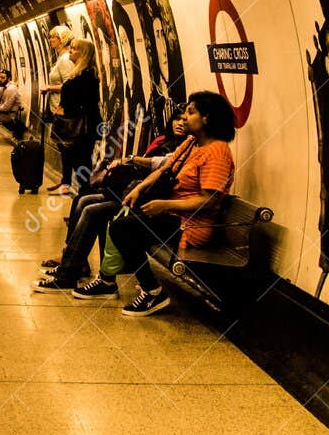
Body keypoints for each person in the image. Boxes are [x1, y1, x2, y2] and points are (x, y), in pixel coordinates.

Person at [74, 91, 237, 317]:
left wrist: (164, 204)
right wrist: (140, 189)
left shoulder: (217, 152)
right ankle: (106, 279)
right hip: (170, 214)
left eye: (191, 112)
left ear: (206, 118)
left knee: (123, 227)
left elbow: (209, 200)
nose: (184, 118)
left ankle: (152, 291)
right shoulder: (192, 143)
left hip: (189, 225)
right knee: (114, 215)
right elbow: (164, 169)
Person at [36, 110, 188, 292]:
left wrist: (131, 160)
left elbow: (162, 164)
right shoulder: (165, 140)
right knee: (83, 200)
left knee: (94, 210)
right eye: (178, 118)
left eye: (186, 119)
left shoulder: (189, 148)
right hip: (137, 193)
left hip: (149, 201)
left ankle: (75, 273)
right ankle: (73, 262)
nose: (181, 123)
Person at [49, 38, 100, 192]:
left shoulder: (86, 76)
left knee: (82, 166)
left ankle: (83, 203)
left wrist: (64, 109)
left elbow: (85, 102)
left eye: (75, 49)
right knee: (80, 166)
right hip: (79, 127)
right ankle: (81, 204)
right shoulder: (81, 73)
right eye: (71, 48)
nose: (70, 51)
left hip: (80, 129)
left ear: (84, 53)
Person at [43, 25, 76, 189]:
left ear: (62, 39)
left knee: (65, 146)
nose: (51, 40)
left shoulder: (65, 60)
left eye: (53, 37)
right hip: (57, 107)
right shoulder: (61, 58)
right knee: (62, 146)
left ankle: (67, 182)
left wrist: (50, 88)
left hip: (62, 109)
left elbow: (69, 85)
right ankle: (65, 181)